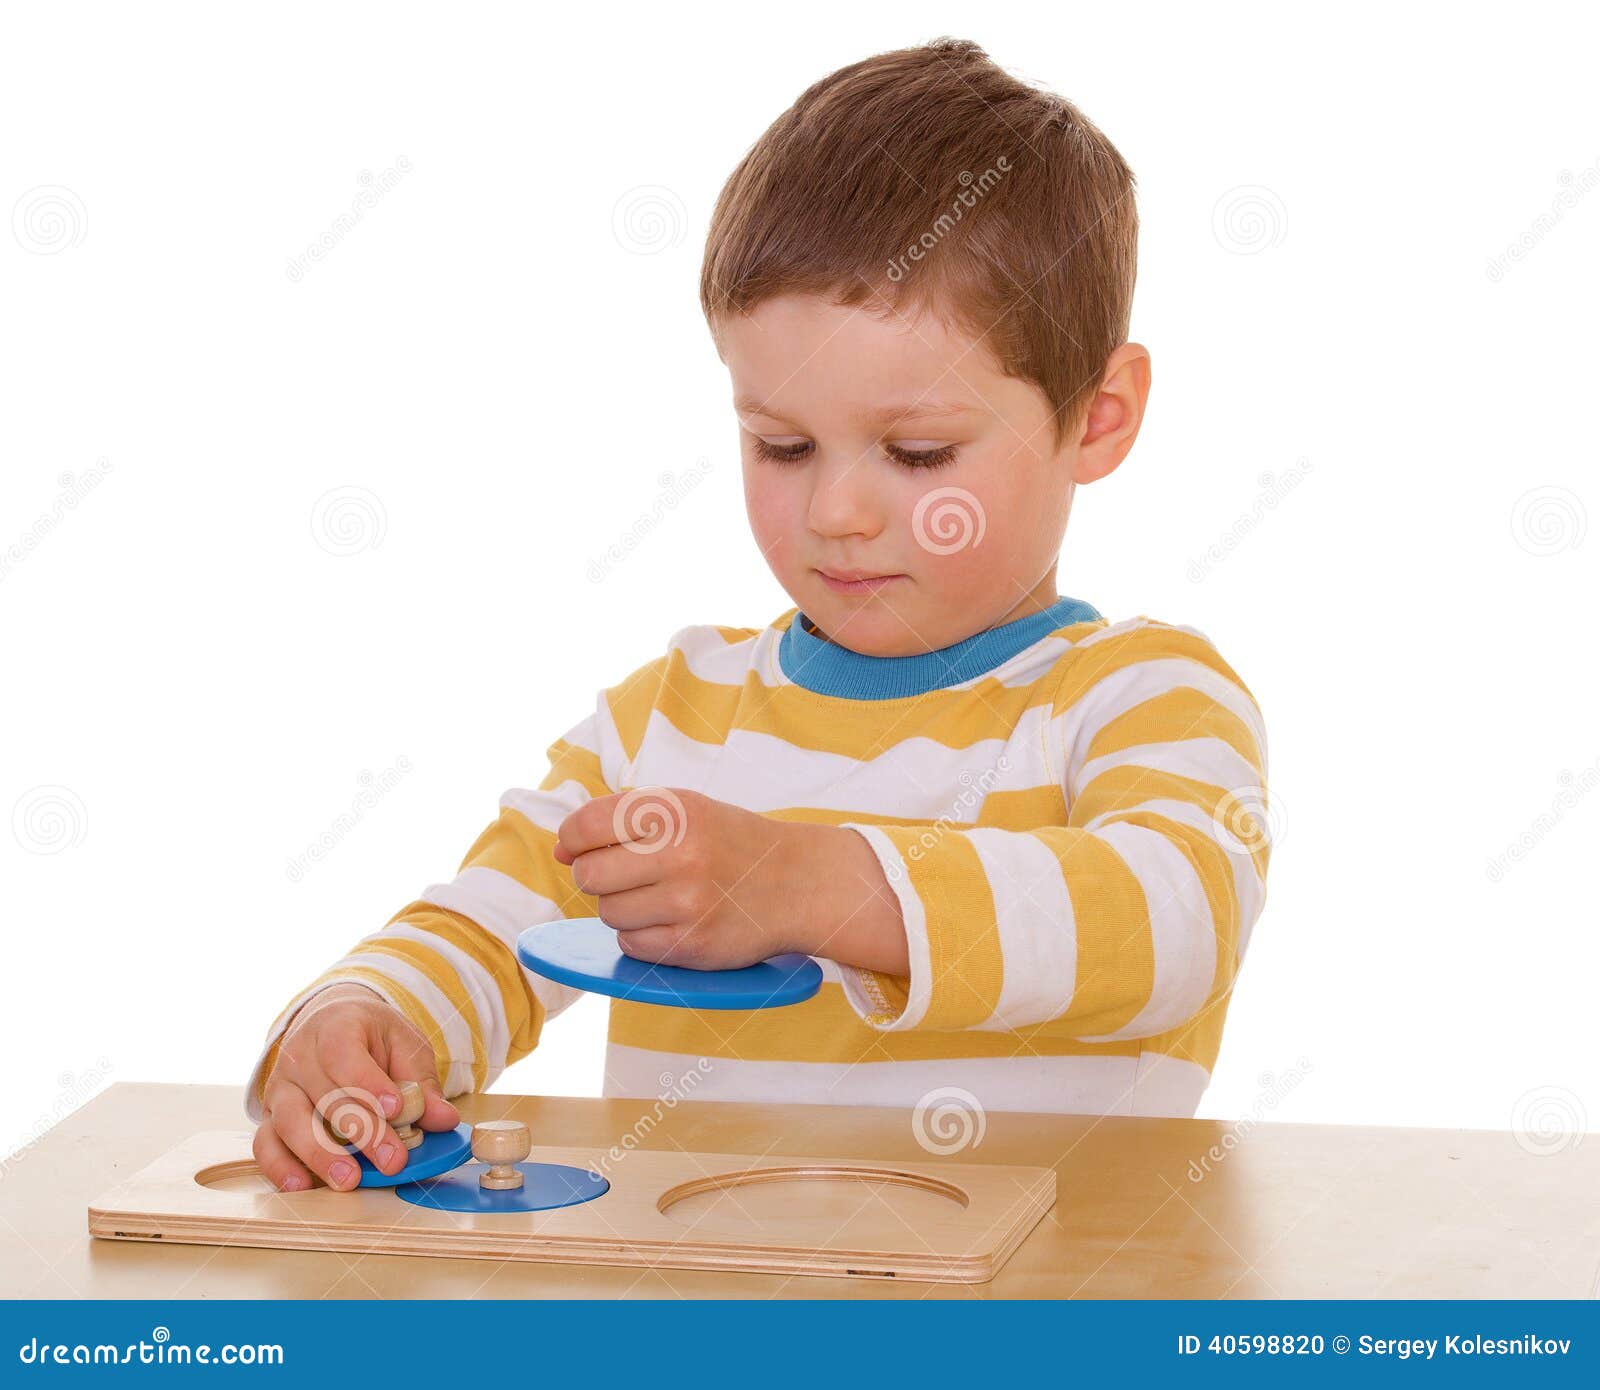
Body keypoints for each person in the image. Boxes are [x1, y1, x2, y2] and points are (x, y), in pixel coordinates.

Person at [245, 36, 1271, 1192]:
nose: (836, 512)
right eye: (781, 445)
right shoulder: (669, 720)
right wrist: (362, 1018)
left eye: (917, 452)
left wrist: (815, 885)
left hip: (1052, 1295)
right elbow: (489, 926)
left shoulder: (1139, 698)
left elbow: (1175, 920)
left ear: (1098, 416)